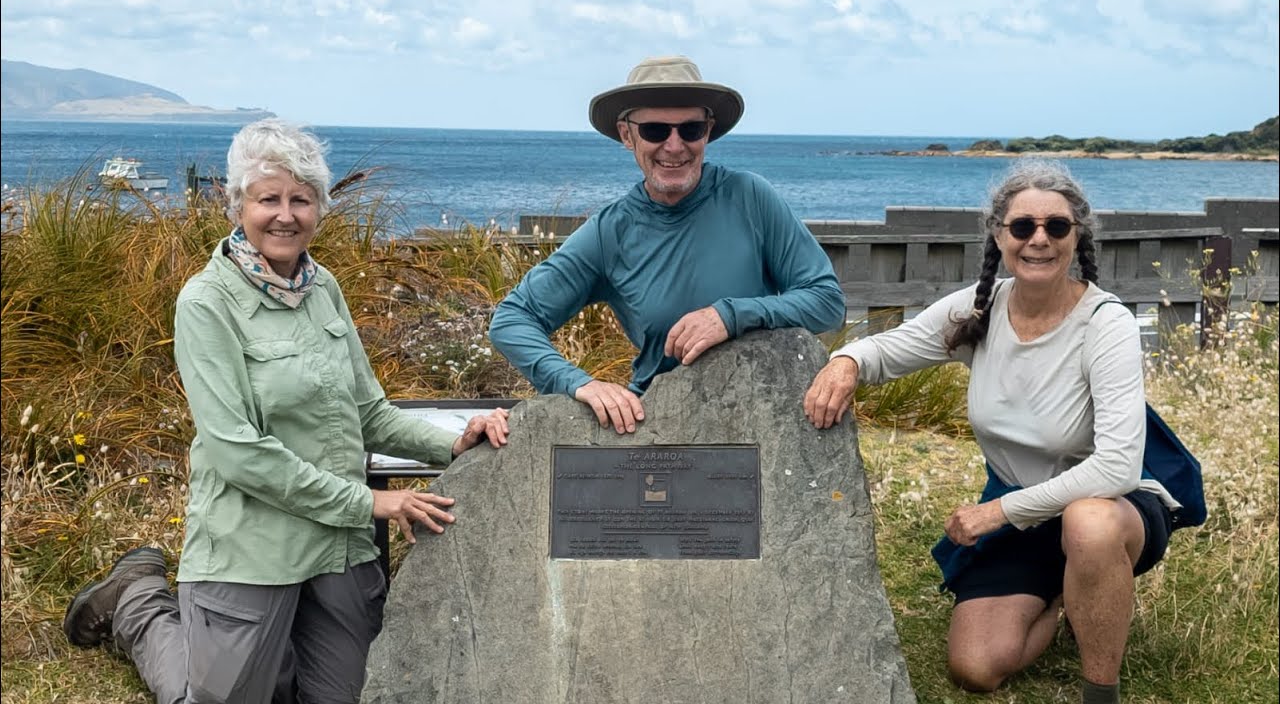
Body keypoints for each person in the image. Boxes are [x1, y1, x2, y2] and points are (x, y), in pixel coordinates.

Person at [61, 119, 511, 704]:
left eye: (301, 199)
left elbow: (369, 413)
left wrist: (452, 443)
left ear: (319, 209)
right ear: (237, 206)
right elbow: (237, 453)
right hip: (252, 546)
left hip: (334, 547)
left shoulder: (322, 289)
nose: (285, 214)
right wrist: (373, 501)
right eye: (267, 198)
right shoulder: (206, 302)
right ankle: (138, 603)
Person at [803, 160, 1179, 704]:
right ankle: (1068, 596)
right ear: (999, 236)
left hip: (1113, 508)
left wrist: (995, 513)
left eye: (1057, 226)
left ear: (1078, 237)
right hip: (1025, 512)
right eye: (1023, 227)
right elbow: (892, 347)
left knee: (1088, 523)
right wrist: (846, 361)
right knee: (975, 668)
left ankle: (1101, 689)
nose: (1039, 240)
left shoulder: (1106, 323)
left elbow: (1117, 468)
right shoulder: (981, 307)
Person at [489, 55, 845, 432]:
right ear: (627, 135)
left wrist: (729, 316)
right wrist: (579, 384)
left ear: (708, 130)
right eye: (656, 131)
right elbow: (512, 320)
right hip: (658, 429)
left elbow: (826, 303)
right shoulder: (612, 231)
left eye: (690, 129)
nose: (674, 146)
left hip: (760, 419)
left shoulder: (750, 197)